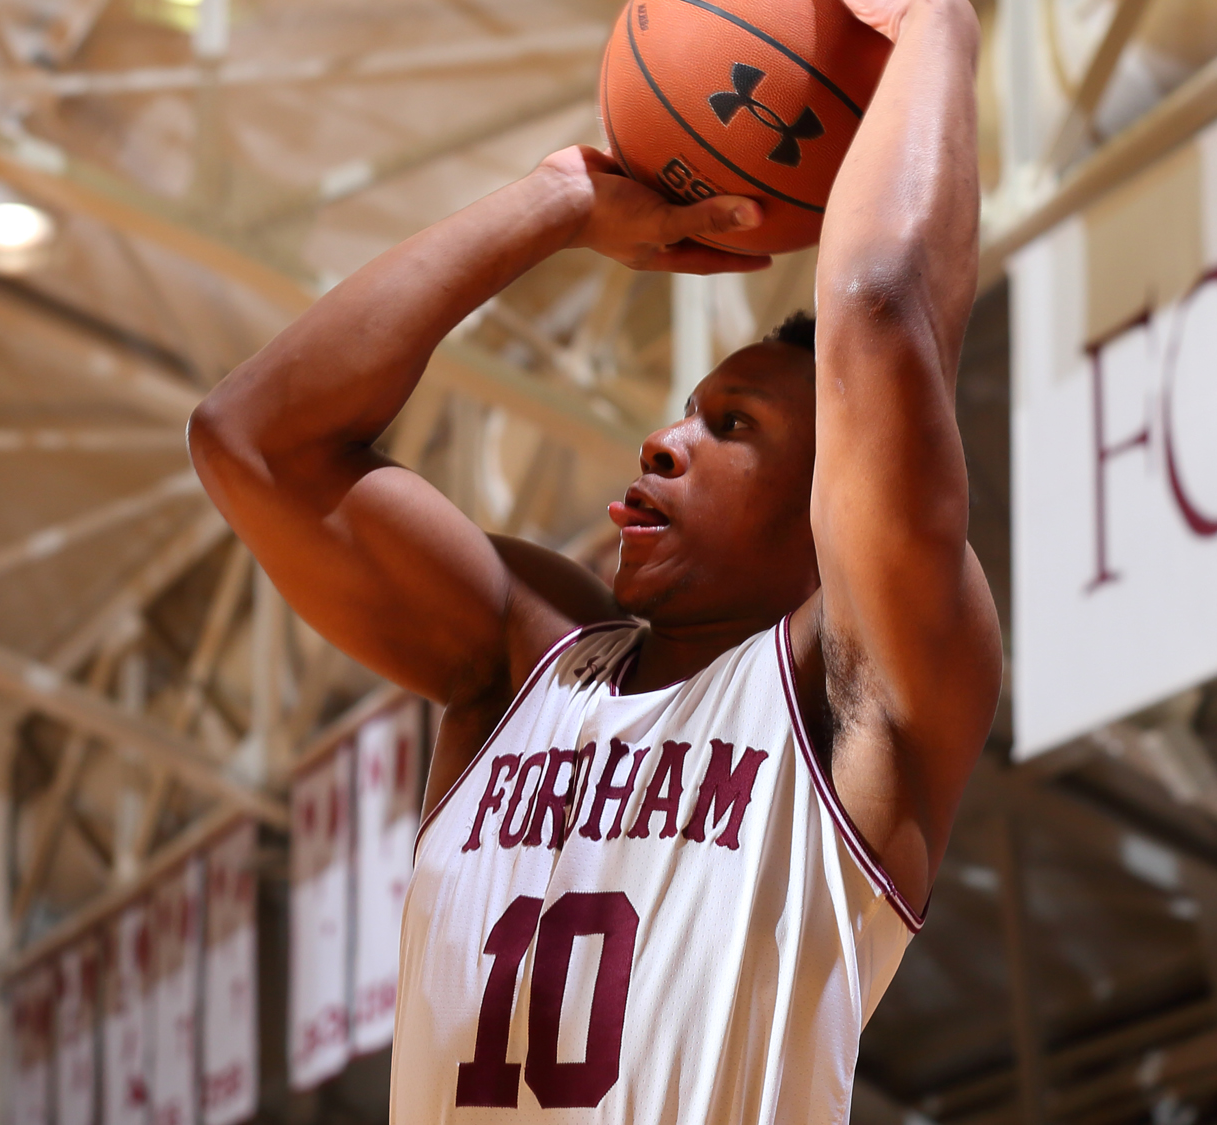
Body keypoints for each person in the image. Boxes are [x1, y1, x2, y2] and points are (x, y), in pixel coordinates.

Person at [187, 0, 998, 1116]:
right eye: (686, 411)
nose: (663, 439)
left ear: (829, 503)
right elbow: (253, 442)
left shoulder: (847, 695)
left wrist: (935, 24)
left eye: (731, 426)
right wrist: (558, 199)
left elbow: (881, 307)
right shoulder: (526, 662)